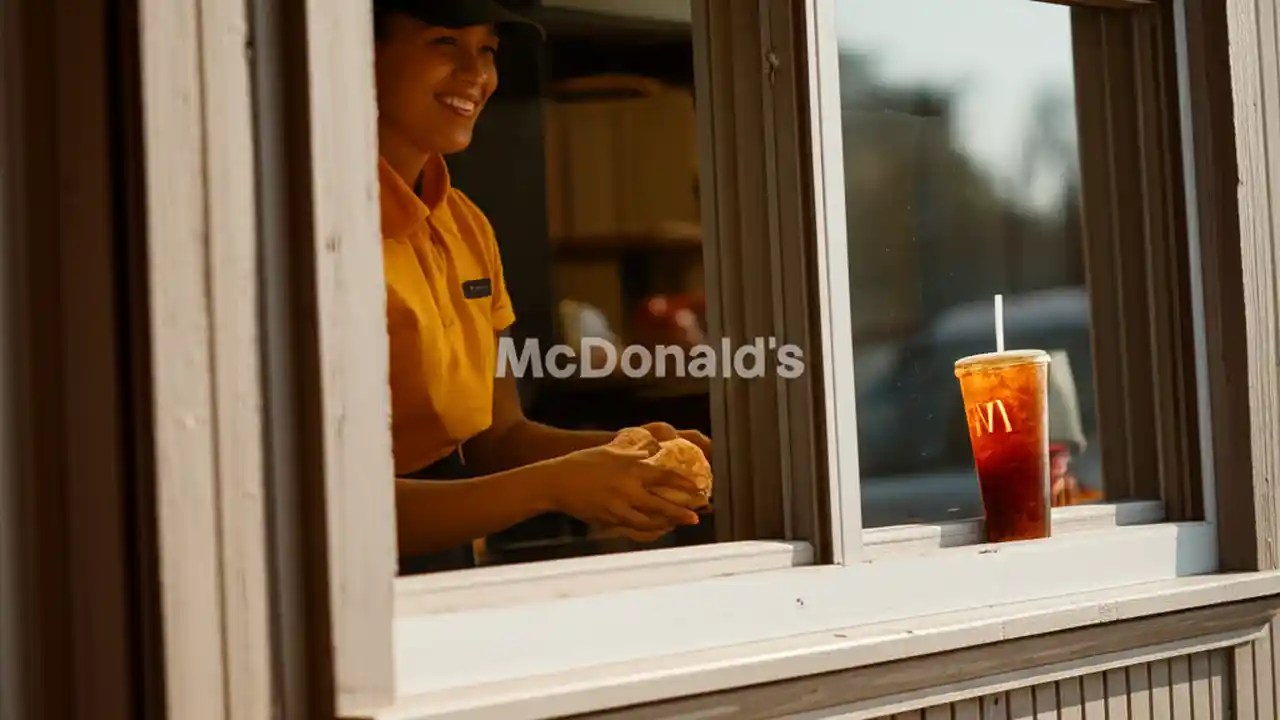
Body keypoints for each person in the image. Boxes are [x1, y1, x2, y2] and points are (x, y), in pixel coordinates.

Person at [373, 0, 711, 572]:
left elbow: (497, 436)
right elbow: (336, 502)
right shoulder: (317, 233)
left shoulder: (466, 225)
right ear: (360, 54)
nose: (476, 75)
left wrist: (621, 455)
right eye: (445, 43)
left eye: (488, 50)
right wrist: (554, 486)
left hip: (444, 565)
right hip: (341, 580)